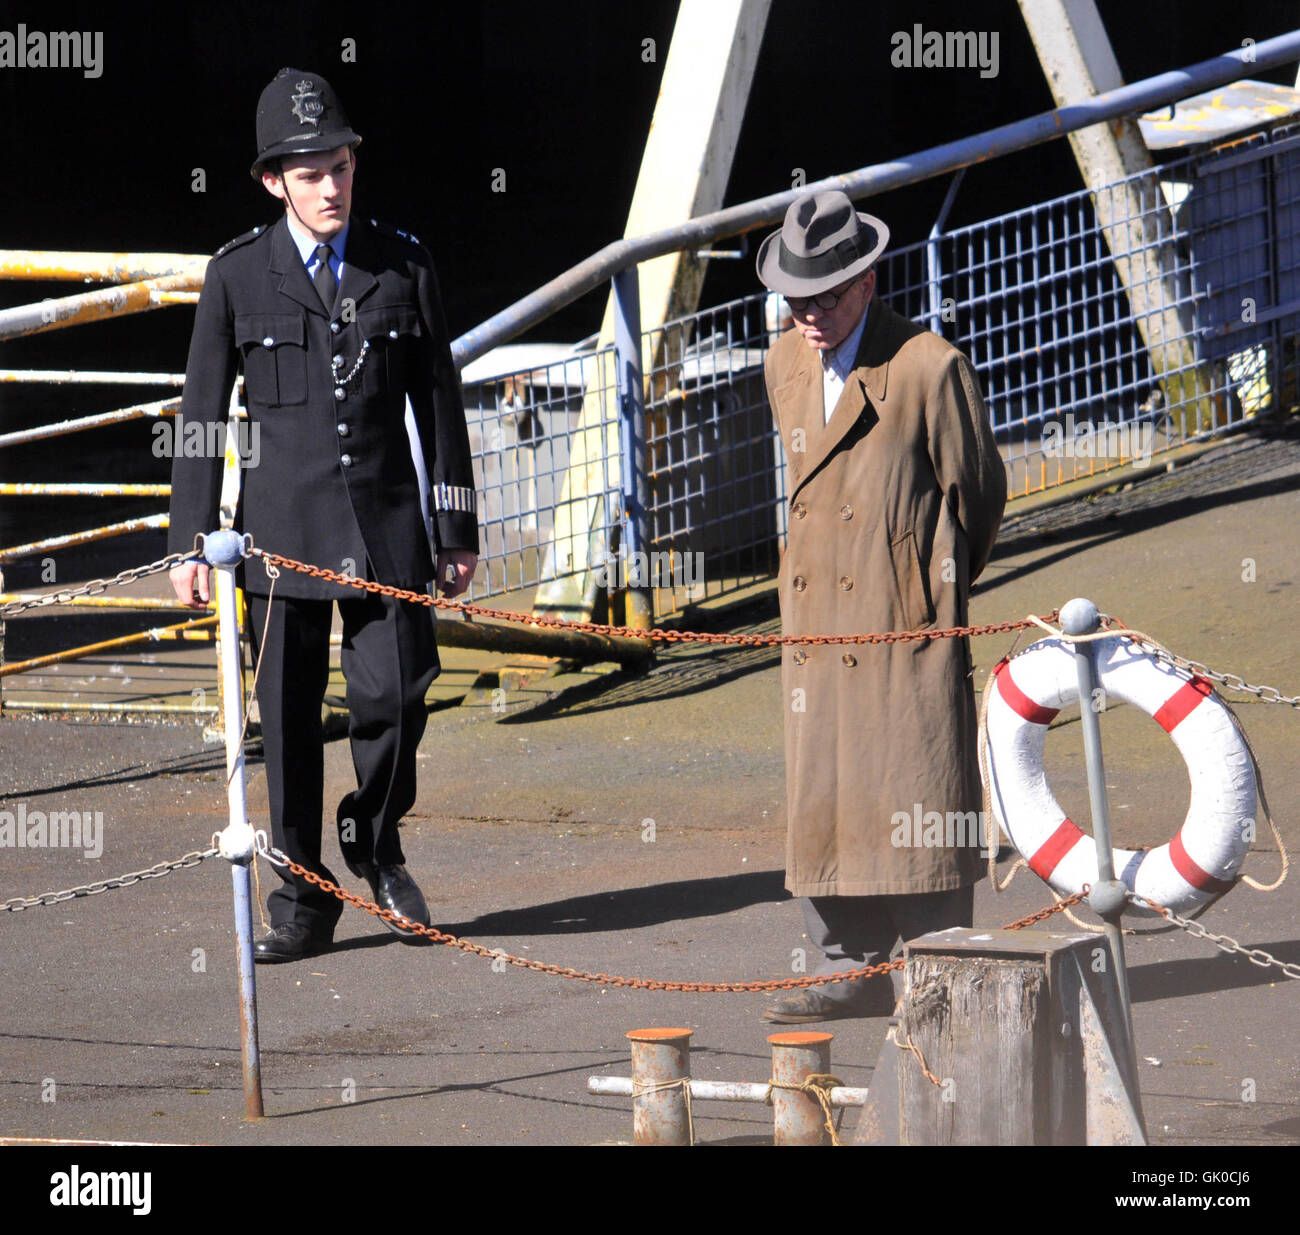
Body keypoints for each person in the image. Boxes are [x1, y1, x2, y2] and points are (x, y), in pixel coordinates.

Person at [167, 68, 479, 962]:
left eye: (341, 166)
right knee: (289, 724)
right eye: (311, 173)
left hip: (385, 533)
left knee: (400, 697)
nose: (332, 186)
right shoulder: (236, 275)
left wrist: (453, 528)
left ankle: (374, 838)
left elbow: (439, 404)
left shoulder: (403, 262)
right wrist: (192, 542)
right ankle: (303, 901)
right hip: (280, 539)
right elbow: (201, 414)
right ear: (275, 181)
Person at [755, 190, 1006, 1022]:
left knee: (915, 782)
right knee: (827, 791)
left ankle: (940, 959)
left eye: (825, 296)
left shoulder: (929, 367)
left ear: (868, 280)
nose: (810, 316)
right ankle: (850, 961)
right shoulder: (783, 363)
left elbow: (978, 496)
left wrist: (922, 580)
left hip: (903, 622)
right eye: (797, 299)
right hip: (817, 619)